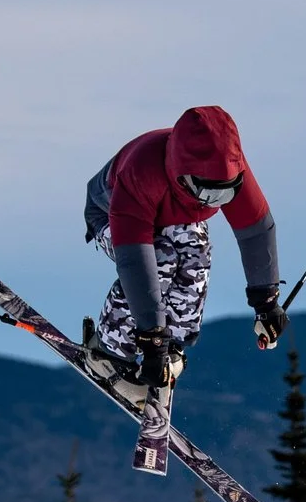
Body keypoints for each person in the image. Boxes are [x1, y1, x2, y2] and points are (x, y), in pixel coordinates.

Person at [79, 105, 287, 401]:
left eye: (225, 193)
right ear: (183, 176)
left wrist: (266, 301)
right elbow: (136, 263)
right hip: (111, 213)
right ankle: (107, 354)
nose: (214, 202)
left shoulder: (228, 170)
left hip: (173, 216)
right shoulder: (141, 172)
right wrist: (152, 337)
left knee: (196, 249)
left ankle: (174, 344)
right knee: (160, 257)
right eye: (208, 193)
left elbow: (256, 231)